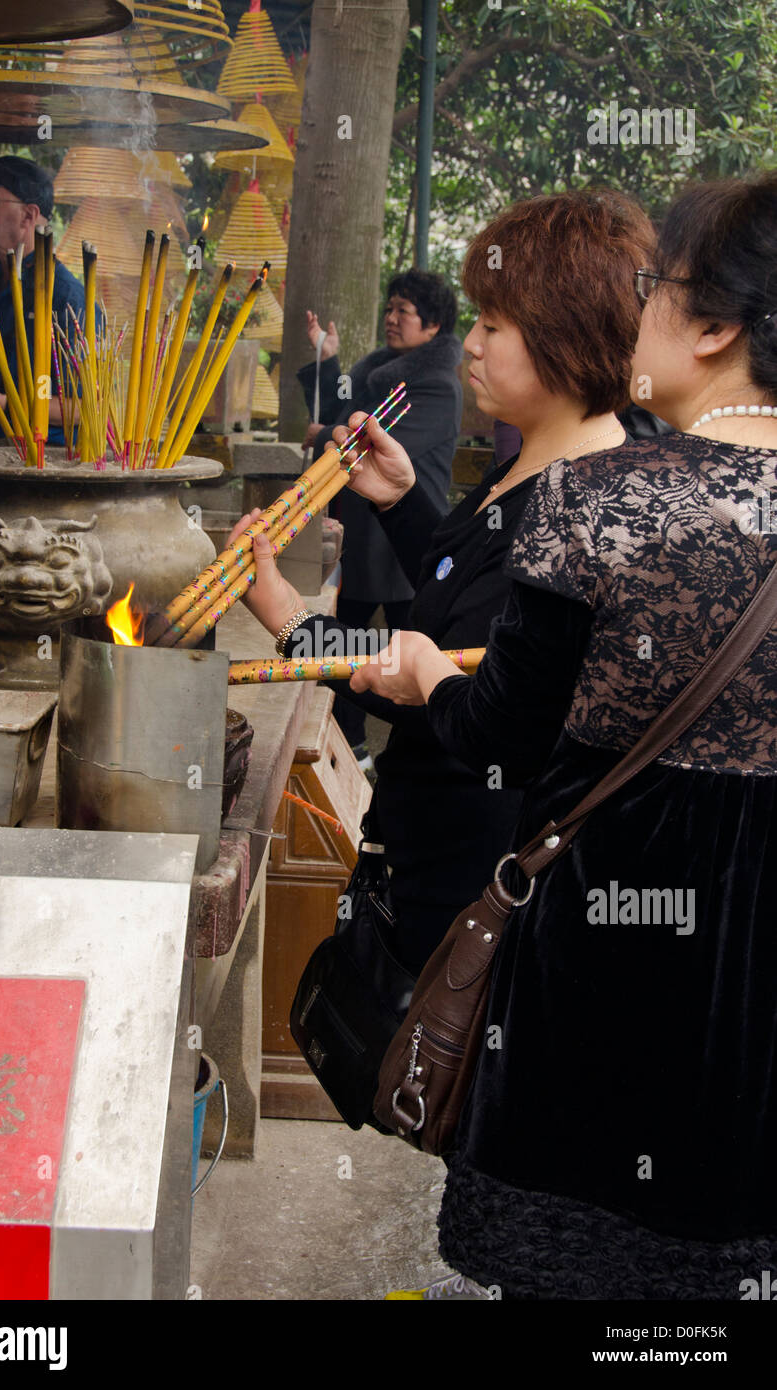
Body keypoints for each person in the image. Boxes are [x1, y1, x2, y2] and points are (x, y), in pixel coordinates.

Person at [350, 173, 777, 1299]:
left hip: (606, 958)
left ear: (719, 328)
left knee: (589, 1263)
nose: (634, 315)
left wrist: (433, 678)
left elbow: (501, 730)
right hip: (757, 986)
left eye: (656, 290)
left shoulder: (602, 505)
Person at [230, 190, 654, 976]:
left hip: (473, 876)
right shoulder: (536, 461)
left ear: (563, 339)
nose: (471, 346)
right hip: (426, 852)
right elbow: (462, 598)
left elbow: (439, 694)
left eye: (494, 325)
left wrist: (293, 623)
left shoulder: (581, 506)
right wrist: (399, 502)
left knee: (426, 1079)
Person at [297, 269, 462, 769]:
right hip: (365, 531)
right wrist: (328, 363)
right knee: (351, 638)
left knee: (410, 642)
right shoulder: (380, 371)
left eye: (404, 312)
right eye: (389, 309)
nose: (392, 319)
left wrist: (320, 431)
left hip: (404, 537)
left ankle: (403, 747)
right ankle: (355, 743)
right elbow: (346, 418)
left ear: (432, 327)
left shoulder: (435, 385)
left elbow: (371, 445)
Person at [0, 156, 87, 448]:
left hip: (41, 460)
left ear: (28, 215)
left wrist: (0, 402)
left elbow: (83, 407)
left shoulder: (64, 296)